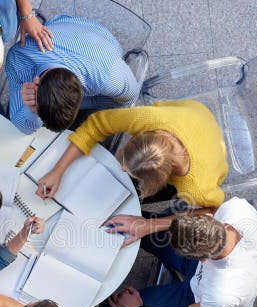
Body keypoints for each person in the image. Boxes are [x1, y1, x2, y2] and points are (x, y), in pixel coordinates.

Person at [36, 100, 229, 246]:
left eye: (130, 172)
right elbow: (96, 124)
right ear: (140, 136)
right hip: (193, 114)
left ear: (160, 181)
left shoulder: (197, 188)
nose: (121, 168)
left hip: (211, 153)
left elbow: (211, 212)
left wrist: (149, 225)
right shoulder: (146, 119)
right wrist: (58, 171)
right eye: (125, 162)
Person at [99, 197, 257, 307]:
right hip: (208, 276)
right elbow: (210, 210)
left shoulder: (223, 294)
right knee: (131, 223)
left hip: (196, 300)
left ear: (203, 260)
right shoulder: (237, 210)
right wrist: (149, 225)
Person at [5, 14, 141, 132]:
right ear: (36, 83)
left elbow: (130, 96)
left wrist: (94, 104)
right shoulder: (17, 59)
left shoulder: (108, 75)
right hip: (64, 27)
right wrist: (32, 110)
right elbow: (19, 125)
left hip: (102, 40)